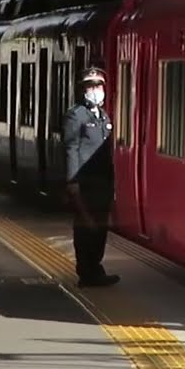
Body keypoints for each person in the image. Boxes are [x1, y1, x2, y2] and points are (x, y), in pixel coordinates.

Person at [62, 66, 120, 287]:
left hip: (102, 182)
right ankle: (86, 272)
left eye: (98, 86)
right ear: (83, 89)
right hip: (85, 183)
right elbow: (71, 149)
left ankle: (96, 268)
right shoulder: (76, 116)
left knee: (100, 228)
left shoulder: (103, 115)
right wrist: (72, 181)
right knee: (86, 227)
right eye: (90, 86)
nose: (95, 90)